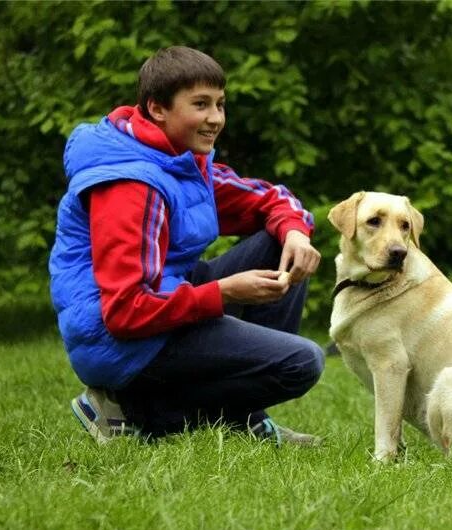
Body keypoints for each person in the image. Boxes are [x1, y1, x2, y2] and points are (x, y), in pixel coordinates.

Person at [49, 46, 325, 446]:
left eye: (220, 104)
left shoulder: (179, 157)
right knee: (301, 362)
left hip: (166, 301)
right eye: (200, 104)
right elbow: (124, 313)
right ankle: (136, 410)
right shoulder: (131, 187)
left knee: (280, 244)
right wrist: (223, 293)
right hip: (121, 345)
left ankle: (240, 418)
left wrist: (296, 232)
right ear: (158, 109)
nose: (215, 118)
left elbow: (270, 198)